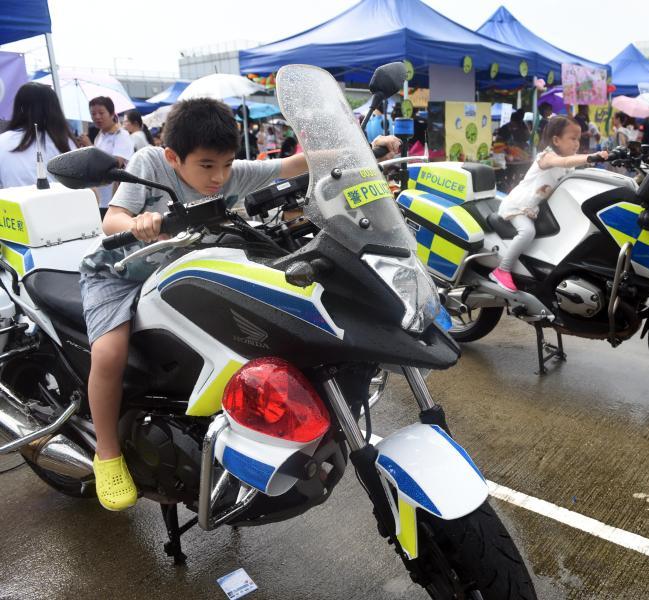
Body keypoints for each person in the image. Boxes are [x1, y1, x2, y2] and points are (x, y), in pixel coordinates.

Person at [79, 97, 401, 511]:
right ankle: (107, 453)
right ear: (174, 157)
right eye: (208, 166)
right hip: (120, 273)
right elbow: (113, 219)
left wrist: (361, 152)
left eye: (228, 165)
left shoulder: (228, 174)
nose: (219, 178)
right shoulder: (150, 163)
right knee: (109, 353)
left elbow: (293, 165)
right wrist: (140, 224)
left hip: (181, 271)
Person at [490, 116, 607, 292]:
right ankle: (502, 270)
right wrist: (592, 156)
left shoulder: (569, 166)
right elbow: (564, 161)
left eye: (579, 139)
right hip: (518, 205)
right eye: (573, 138)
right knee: (527, 232)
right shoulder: (546, 157)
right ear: (556, 140)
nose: (577, 143)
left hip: (533, 208)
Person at [0, 82, 76, 188]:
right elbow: (84, 187)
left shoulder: (2, 142)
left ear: (19, 107)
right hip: (61, 203)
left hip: (13, 204)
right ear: (54, 109)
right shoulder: (63, 141)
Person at [77, 96, 134, 213]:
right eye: (93, 114)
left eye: (101, 113)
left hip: (117, 199)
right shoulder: (100, 135)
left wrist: (90, 148)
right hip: (100, 197)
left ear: (112, 114)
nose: (97, 117)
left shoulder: (121, 135)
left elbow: (116, 163)